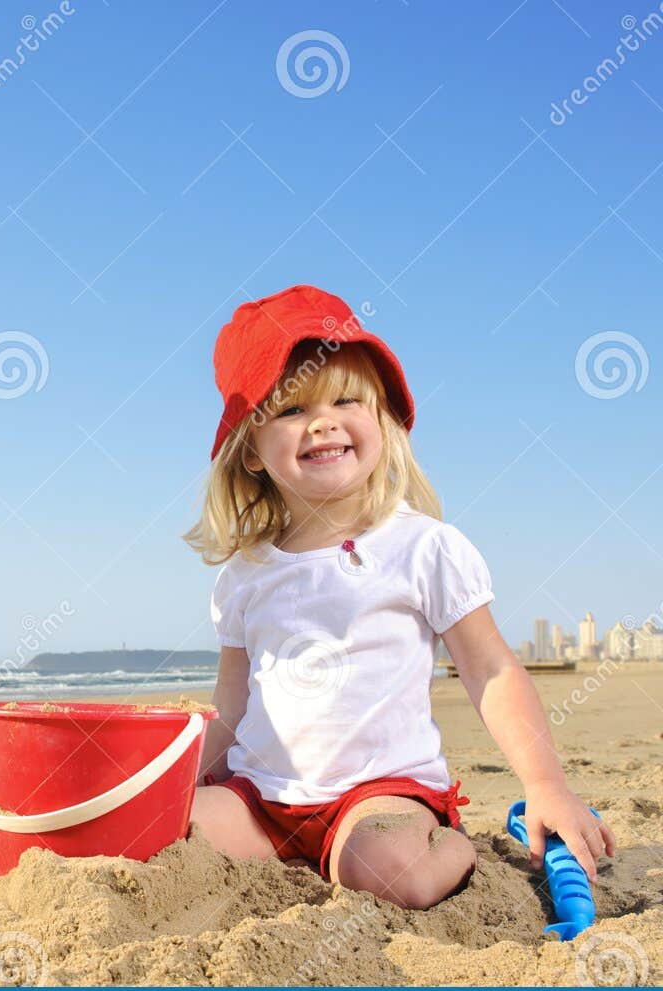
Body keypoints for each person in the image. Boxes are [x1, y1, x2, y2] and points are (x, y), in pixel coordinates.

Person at [184, 284, 616, 909]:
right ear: (251, 447)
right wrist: (194, 776)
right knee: (171, 834)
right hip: (263, 796)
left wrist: (545, 784)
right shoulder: (247, 572)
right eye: (291, 410)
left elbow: (489, 668)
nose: (323, 421)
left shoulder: (422, 548)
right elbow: (231, 700)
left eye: (346, 400)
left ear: (381, 419)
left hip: (378, 795)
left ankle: (452, 840)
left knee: (391, 873)